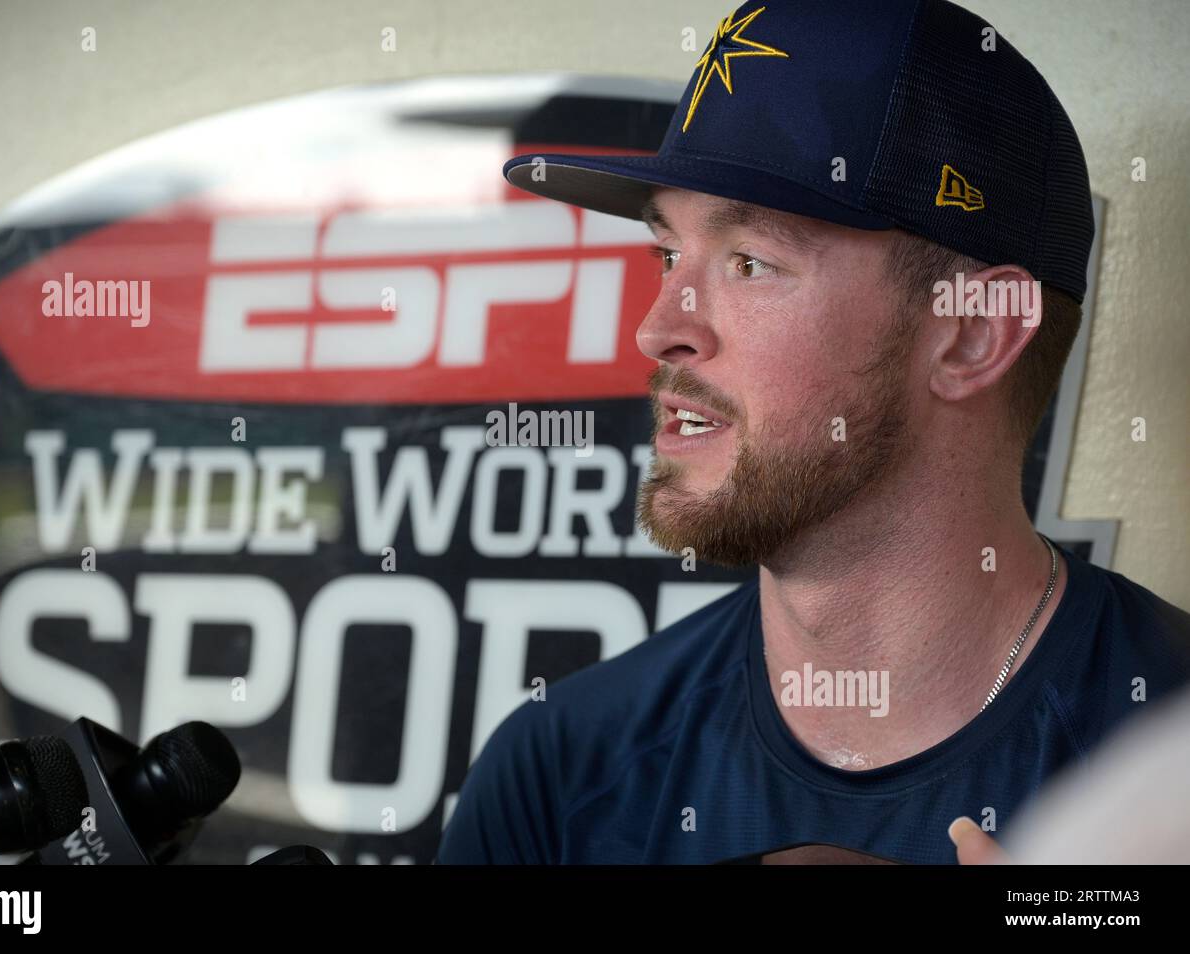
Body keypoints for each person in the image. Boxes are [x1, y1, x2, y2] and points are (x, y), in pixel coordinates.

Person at [436, 0, 1190, 864]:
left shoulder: (1169, 764)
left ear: (974, 330)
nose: (658, 329)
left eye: (751, 262)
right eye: (667, 255)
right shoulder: (562, 774)